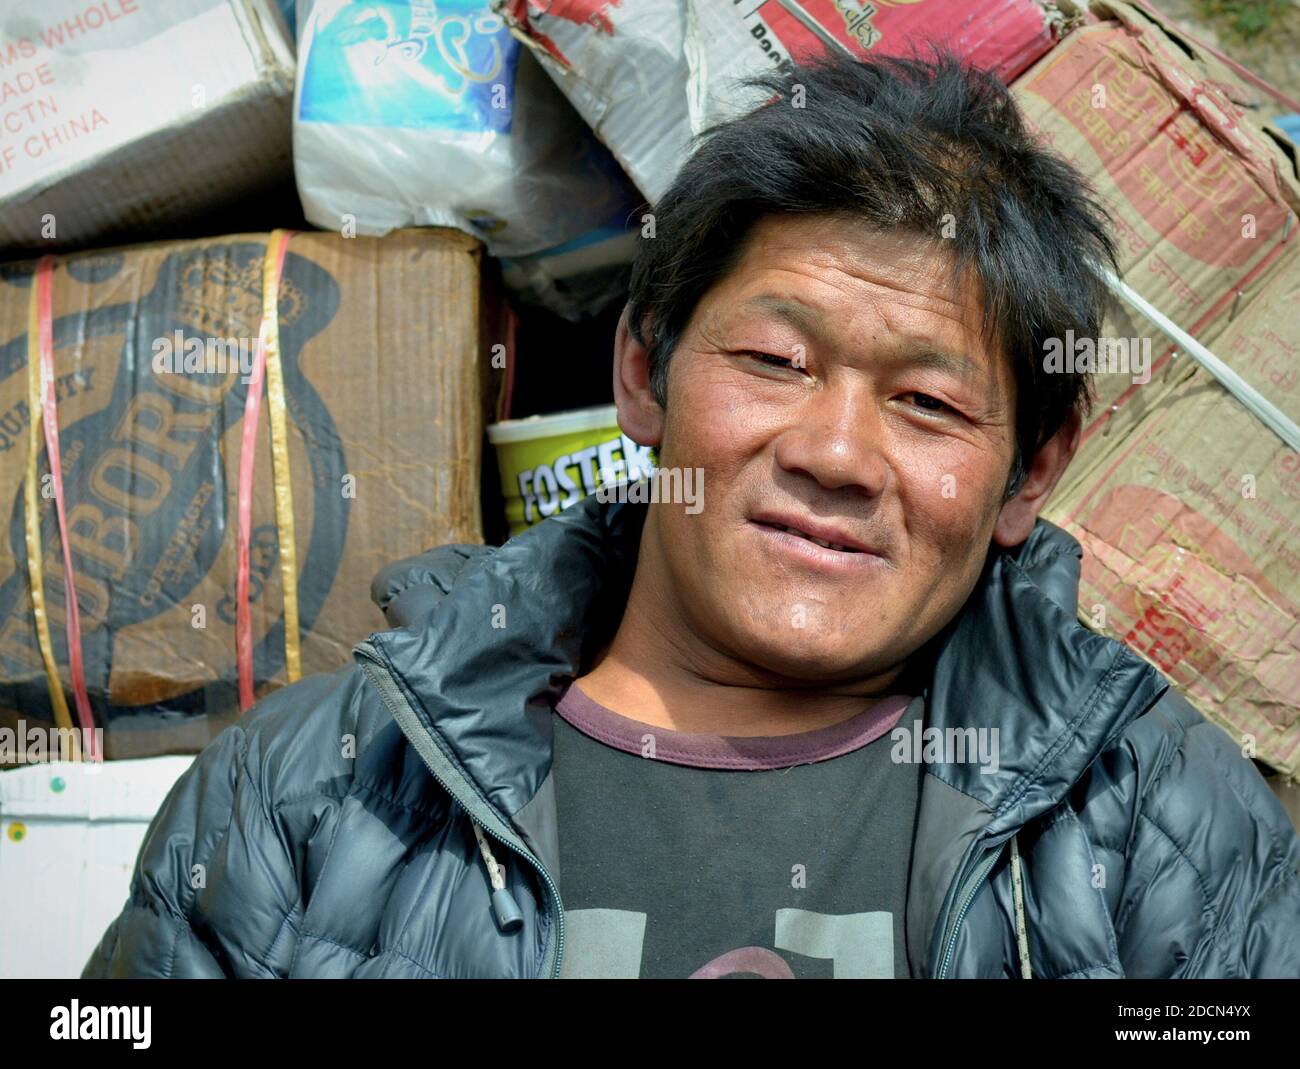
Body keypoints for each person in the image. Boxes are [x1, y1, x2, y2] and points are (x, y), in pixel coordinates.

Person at [84, 49, 1299, 979]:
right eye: (773, 361)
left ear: (1027, 475)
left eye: (927, 400)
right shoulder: (315, 792)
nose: (834, 452)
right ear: (642, 372)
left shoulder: (1157, 819)